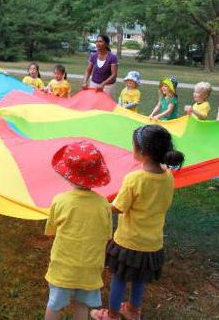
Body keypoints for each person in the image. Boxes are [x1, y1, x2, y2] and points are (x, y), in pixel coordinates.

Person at [90, 125, 185, 320]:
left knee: (120, 278)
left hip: (129, 242)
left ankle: (112, 314)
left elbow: (119, 207)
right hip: (152, 243)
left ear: (142, 152)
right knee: (140, 279)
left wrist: (100, 205)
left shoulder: (134, 179)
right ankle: (133, 311)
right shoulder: (168, 177)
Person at [45, 141, 112, 320]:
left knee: (54, 304)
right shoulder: (104, 204)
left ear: (68, 174)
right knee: (82, 306)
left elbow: (51, 231)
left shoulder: (59, 201)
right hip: (90, 267)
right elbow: (107, 235)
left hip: (63, 266)